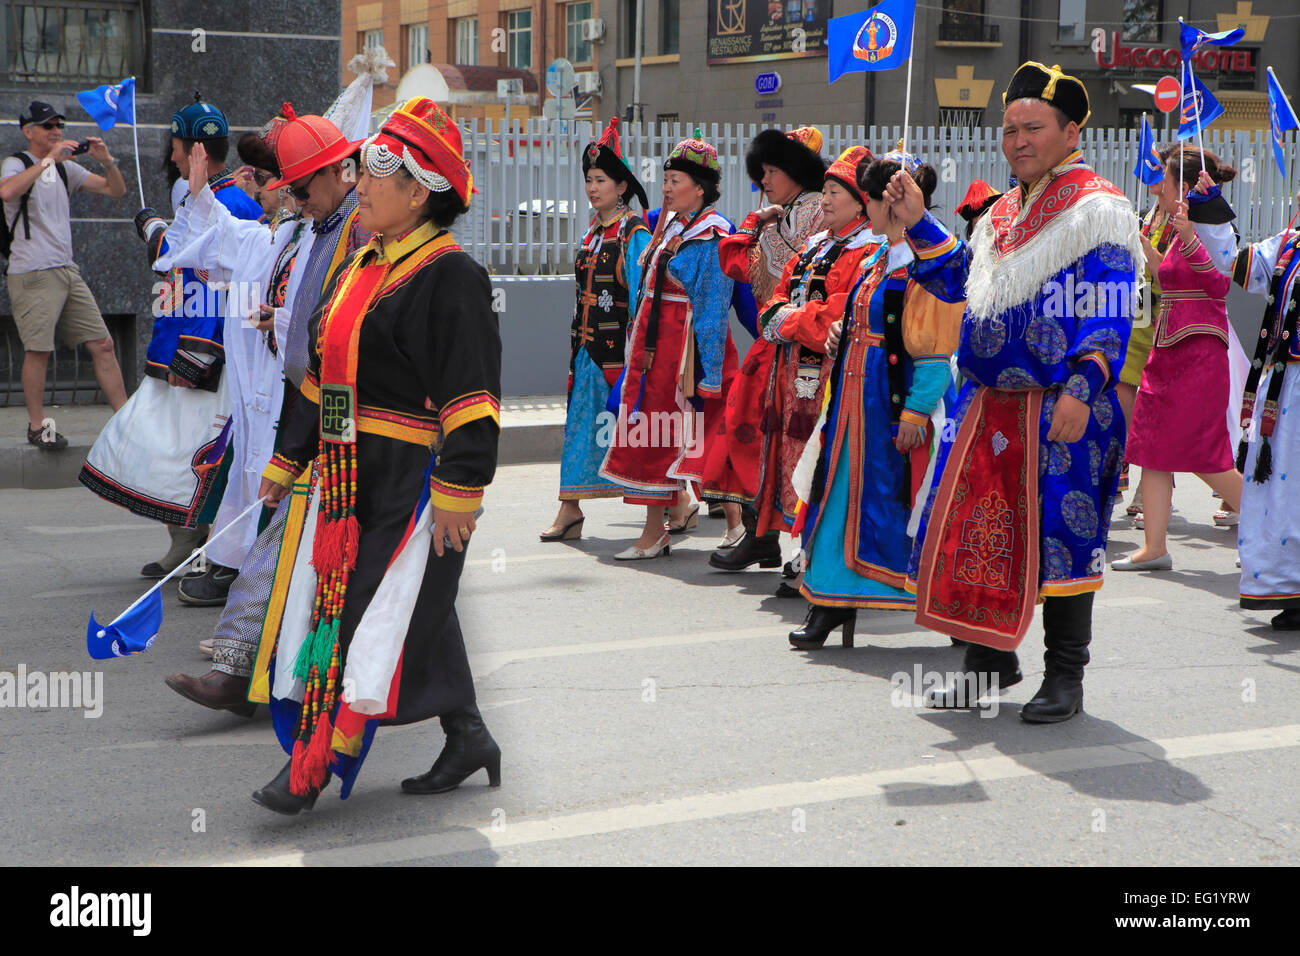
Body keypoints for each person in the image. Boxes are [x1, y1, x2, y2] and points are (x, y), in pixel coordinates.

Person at [246, 96, 502, 813]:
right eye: (358, 171)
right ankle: (470, 732)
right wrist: (287, 458)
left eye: (373, 175)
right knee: (403, 605)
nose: (358, 184)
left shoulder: (451, 275)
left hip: (408, 481)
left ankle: (313, 765)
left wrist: (460, 490)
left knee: (361, 613)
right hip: (347, 478)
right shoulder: (362, 263)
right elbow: (322, 379)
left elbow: (473, 398)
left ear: (419, 192)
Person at [896, 62, 1142, 724]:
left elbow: (1108, 309)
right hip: (985, 406)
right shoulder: (1001, 214)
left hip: (1059, 405)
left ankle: (1066, 676)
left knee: (1062, 539)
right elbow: (958, 285)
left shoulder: (1100, 210)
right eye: (1009, 129)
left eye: (1032, 127)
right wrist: (918, 222)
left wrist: (1084, 387)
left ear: (1071, 131)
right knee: (974, 533)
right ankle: (988, 666)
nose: (1017, 141)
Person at [157, 76, 381, 705]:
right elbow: (244, 250)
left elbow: (354, 334)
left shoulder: (367, 239)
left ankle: (319, 682)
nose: (291, 196)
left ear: (344, 173)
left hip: (354, 425)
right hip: (312, 412)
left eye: (299, 185)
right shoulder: (307, 231)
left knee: (349, 570)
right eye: (284, 184)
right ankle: (254, 672)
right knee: (287, 548)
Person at [79, 97, 262, 578]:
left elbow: (214, 280)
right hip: (179, 334)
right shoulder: (206, 197)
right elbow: (181, 255)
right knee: (157, 444)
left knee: (195, 455)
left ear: (194, 148)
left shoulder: (234, 202)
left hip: (205, 351)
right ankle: (188, 542)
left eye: (178, 146)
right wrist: (157, 231)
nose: (174, 155)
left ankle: (212, 552)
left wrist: (200, 351)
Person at [790, 150, 961, 647]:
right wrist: (846, 331)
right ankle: (828, 600)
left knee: (907, 503)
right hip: (851, 404)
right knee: (837, 494)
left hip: (891, 406)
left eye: (874, 194)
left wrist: (915, 410)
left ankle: (940, 602)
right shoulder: (876, 258)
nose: (866, 201)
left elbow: (936, 347)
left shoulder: (927, 266)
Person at [599, 133, 738, 560]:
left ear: (700, 187)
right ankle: (658, 529)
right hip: (656, 349)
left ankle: (737, 524)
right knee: (657, 436)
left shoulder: (712, 234)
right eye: (666, 178)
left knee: (700, 435)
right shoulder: (672, 226)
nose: (666, 187)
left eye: (675, 179)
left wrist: (710, 374)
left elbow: (714, 306)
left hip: (686, 355)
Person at [1113, 148, 1242, 572]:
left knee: (1202, 454)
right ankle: (1154, 547)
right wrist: (1136, 239)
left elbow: (1220, 284)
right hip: (1167, 349)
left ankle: (1275, 527)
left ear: (1182, 187)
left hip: (1198, 352)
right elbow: (1167, 276)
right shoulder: (1174, 223)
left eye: (1165, 184)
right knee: (1151, 448)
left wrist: (1187, 236)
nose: (1160, 190)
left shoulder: (1211, 222)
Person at [704, 127, 827, 568]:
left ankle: (784, 541)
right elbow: (736, 261)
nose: (764, 180)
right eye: (763, 171)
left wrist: (758, 225)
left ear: (797, 171)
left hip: (804, 349)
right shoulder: (787, 213)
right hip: (774, 344)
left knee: (777, 439)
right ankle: (761, 533)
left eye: (773, 170)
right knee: (759, 435)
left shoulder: (805, 215)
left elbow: (738, 260)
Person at [541, 117, 651, 541]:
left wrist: (638, 356)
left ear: (621, 186)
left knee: (632, 436)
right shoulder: (593, 232)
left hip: (617, 357)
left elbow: (642, 297)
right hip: (587, 353)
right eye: (588, 179)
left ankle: (676, 503)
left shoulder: (632, 233)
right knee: (582, 430)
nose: (592, 187)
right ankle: (570, 507)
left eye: (601, 179)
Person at [1, 100, 128, 449]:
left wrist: (107, 161)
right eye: (47, 126)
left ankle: (127, 421)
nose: (56, 132)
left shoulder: (64, 169)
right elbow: (7, 192)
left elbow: (115, 190)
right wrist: (48, 159)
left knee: (103, 343)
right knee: (39, 349)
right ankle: (37, 426)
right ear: (29, 132)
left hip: (66, 270)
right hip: (32, 272)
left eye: (59, 126)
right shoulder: (19, 162)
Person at [1231, 186, 1300, 631]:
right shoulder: (1289, 243)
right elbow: (1239, 265)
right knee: (1279, 488)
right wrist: (1210, 213)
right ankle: (1288, 585)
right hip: (1285, 386)